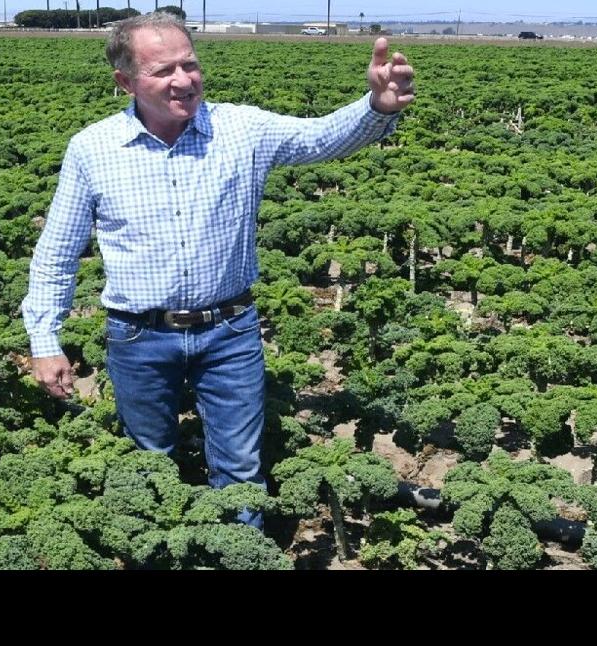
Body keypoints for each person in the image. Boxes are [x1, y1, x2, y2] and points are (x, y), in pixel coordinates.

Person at [21, 12, 415, 528]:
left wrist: (376, 109)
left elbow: (318, 139)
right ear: (125, 82)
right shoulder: (92, 149)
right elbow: (58, 250)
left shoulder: (241, 128)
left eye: (190, 64)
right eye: (163, 71)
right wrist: (44, 339)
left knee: (240, 469)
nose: (183, 80)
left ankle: (240, 552)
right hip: (138, 336)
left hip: (229, 332)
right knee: (149, 464)